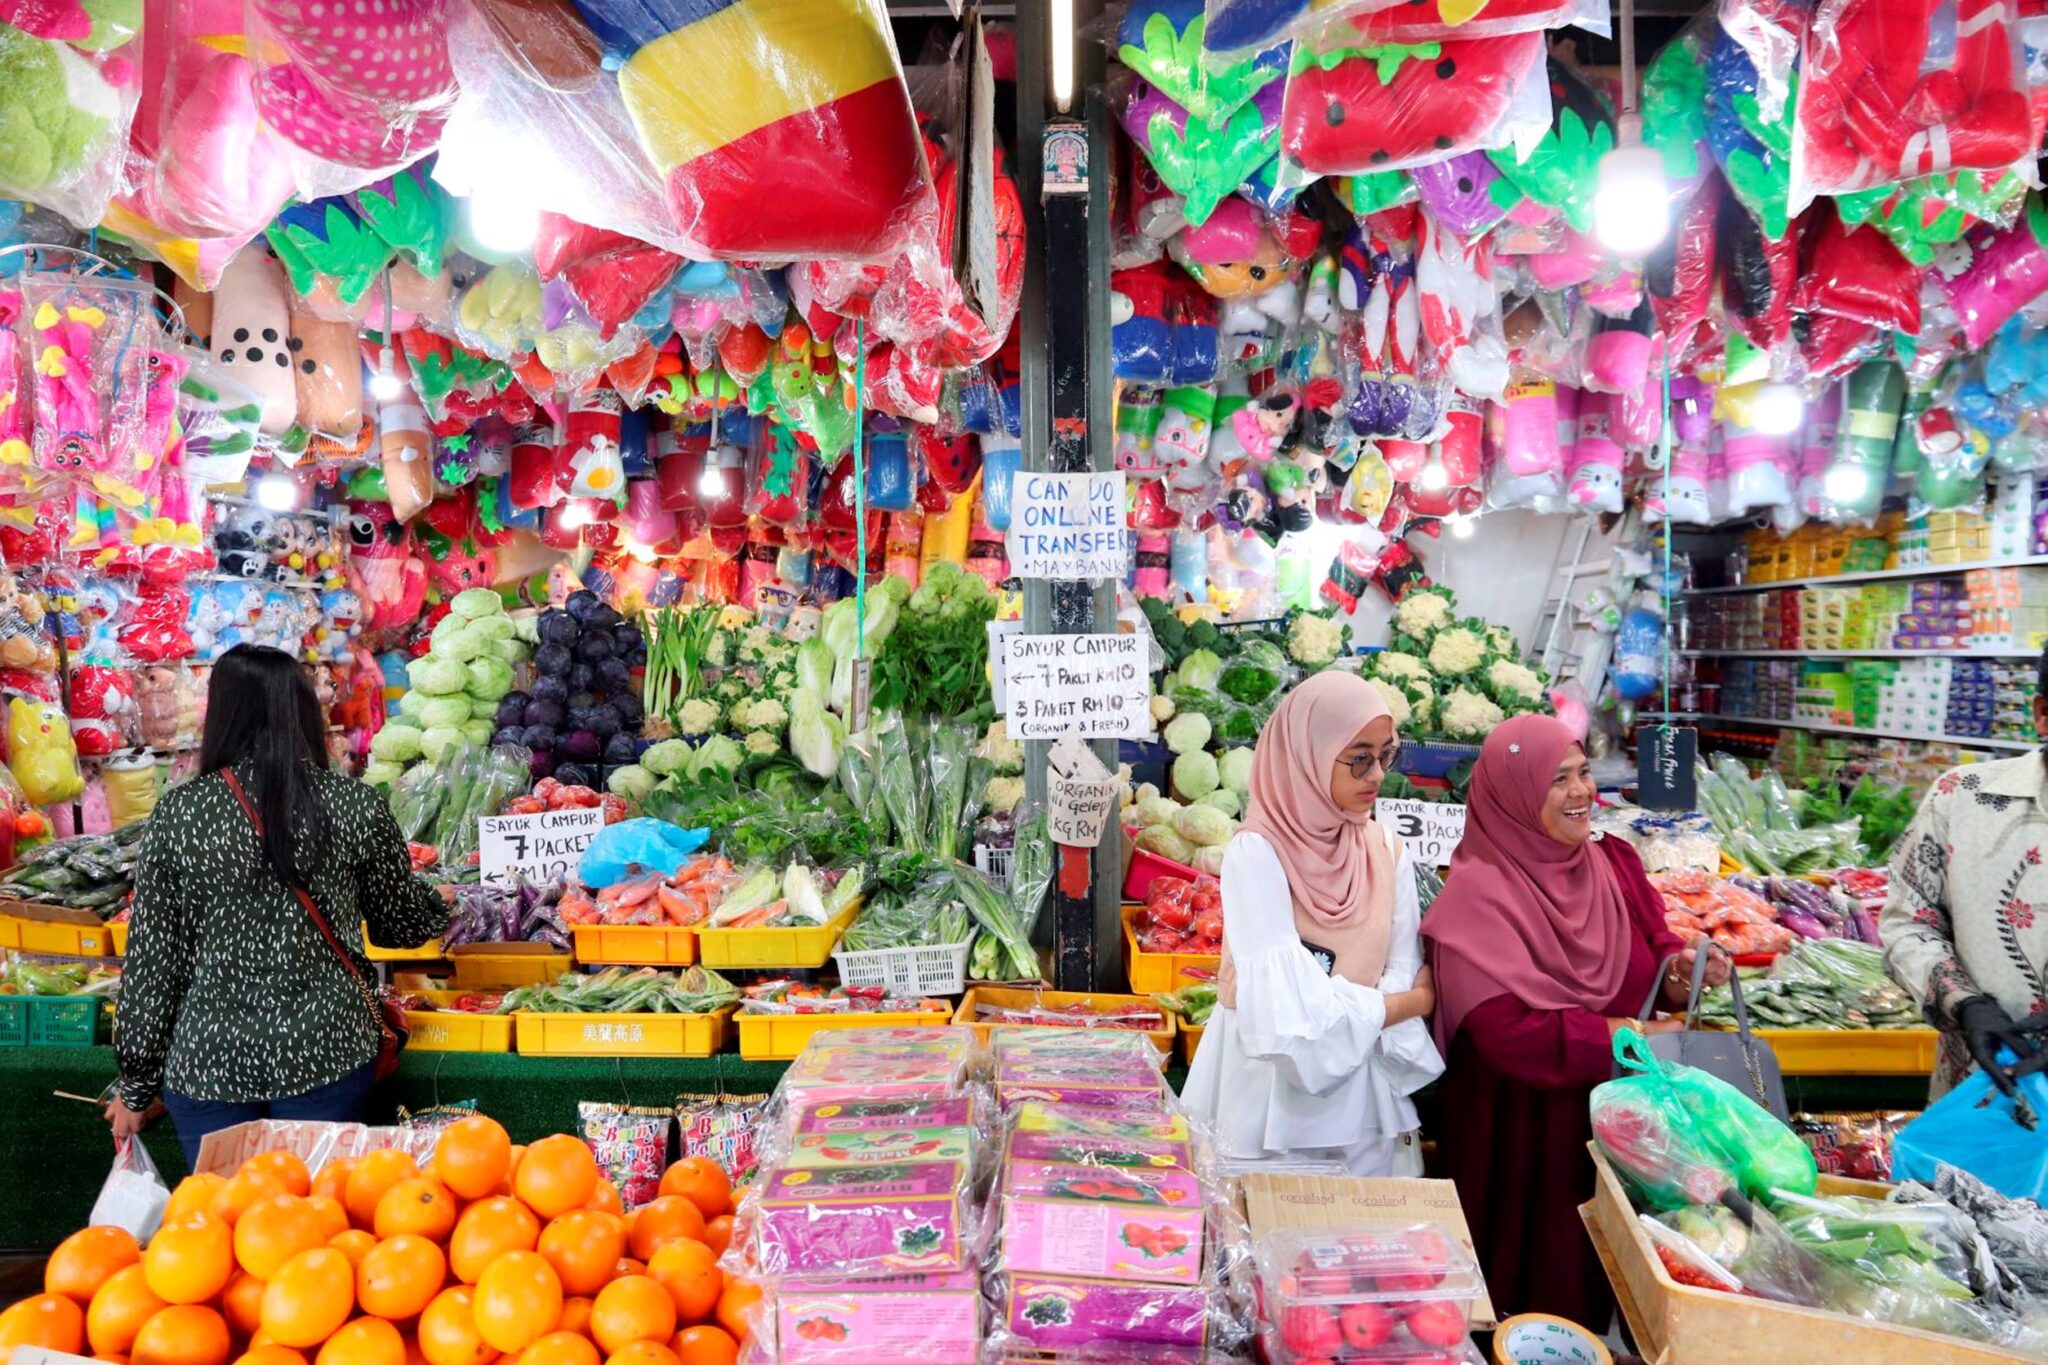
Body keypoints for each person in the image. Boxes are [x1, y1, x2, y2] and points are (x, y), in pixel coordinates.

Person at [1422, 715, 1723, 1327]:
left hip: (1622, 1128)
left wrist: (1681, 973)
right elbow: (1503, 1033)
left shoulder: (1616, 865)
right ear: (1513, 794)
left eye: (1584, 772)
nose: (1581, 791)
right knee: (1523, 1290)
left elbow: (1655, 953)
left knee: (1607, 1285)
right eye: (1557, 779)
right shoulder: (1476, 896)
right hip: (1517, 1137)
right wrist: (1625, 1036)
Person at [107, 645, 449, 1166]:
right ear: (302, 710)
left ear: (219, 712)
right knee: (313, 1226)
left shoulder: (180, 813)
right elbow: (400, 924)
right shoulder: (354, 803)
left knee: (228, 1231)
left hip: (210, 1058)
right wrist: (440, 903)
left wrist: (135, 1085)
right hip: (326, 1048)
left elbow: (154, 962)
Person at [1182, 671, 1441, 1176]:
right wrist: (1408, 1004)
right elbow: (1287, 1018)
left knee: (1359, 1239)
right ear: (1305, 755)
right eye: (1358, 758)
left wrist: (1377, 1005)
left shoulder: (1387, 848)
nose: (1375, 776)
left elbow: (1402, 964)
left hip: (1361, 1092)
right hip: (1266, 1088)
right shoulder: (1256, 853)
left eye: (1385, 755)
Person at [1880, 649, 2048, 1098]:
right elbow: (1908, 922)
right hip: (1982, 1092)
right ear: (2043, 714)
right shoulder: (1964, 798)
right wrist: (1963, 1001)